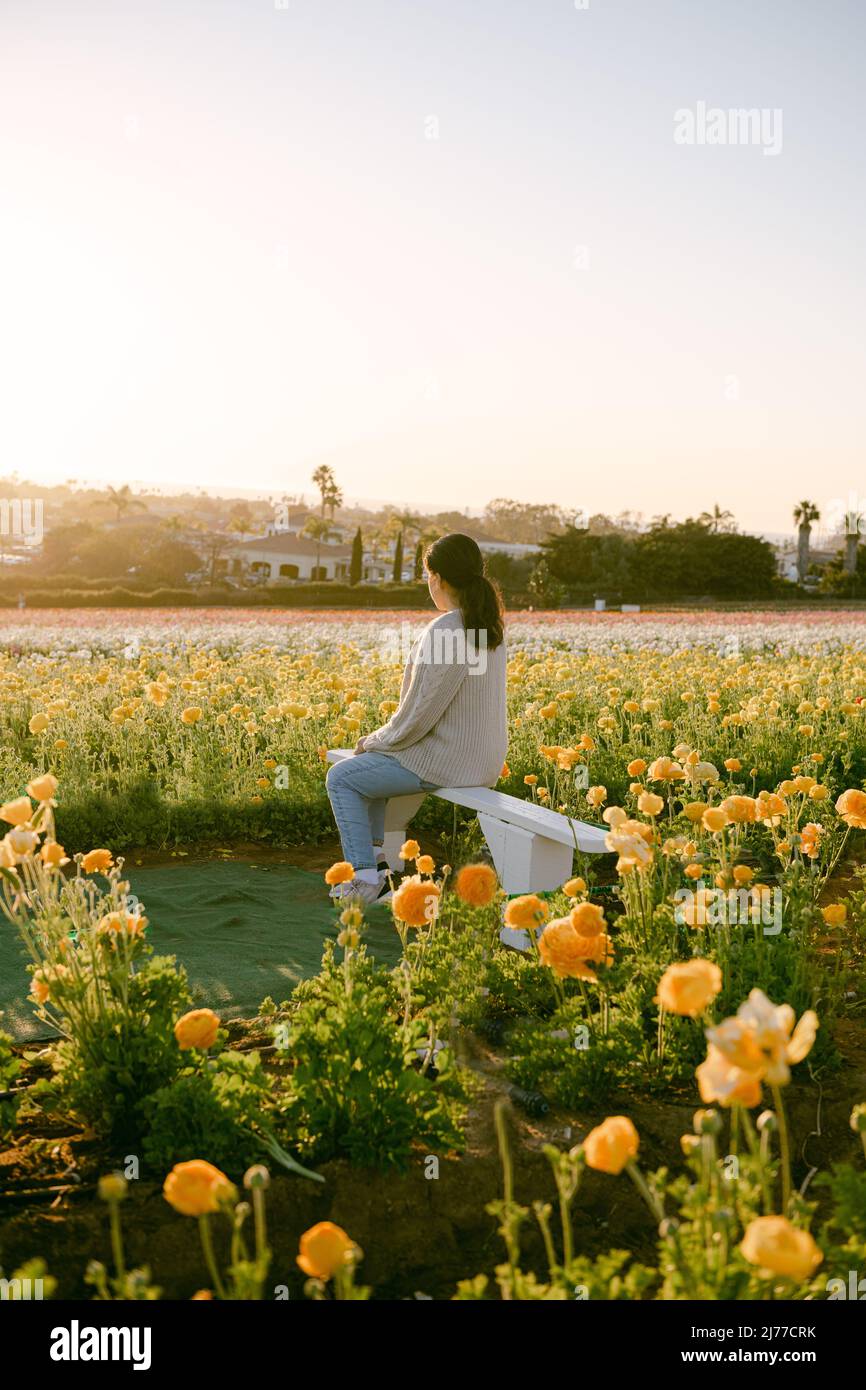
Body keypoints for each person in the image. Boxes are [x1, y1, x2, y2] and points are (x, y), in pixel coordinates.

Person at [325, 532, 507, 902]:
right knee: (371, 768)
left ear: (437, 578)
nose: (428, 584)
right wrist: (382, 745)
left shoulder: (447, 628)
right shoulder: (489, 626)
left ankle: (363, 880)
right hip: (482, 761)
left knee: (342, 777)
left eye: (427, 576)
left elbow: (420, 713)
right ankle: (378, 871)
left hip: (447, 761)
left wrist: (377, 739)